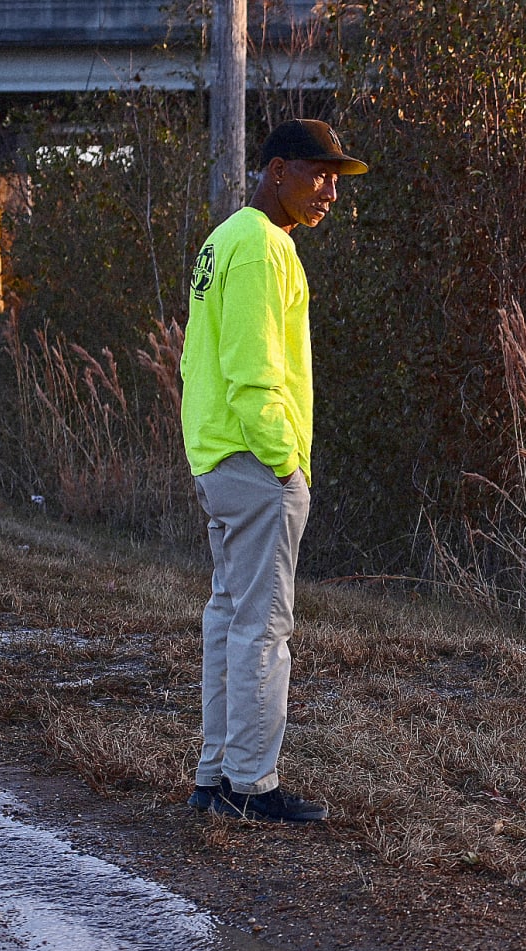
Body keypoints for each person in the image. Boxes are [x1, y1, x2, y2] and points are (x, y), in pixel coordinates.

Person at [179, 119, 367, 823]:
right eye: (319, 175)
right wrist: (285, 462)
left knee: (230, 618)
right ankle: (251, 787)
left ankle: (214, 778)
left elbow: (200, 357)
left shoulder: (225, 238)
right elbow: (254, 374)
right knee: (263, 627)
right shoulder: (261, 247)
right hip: (255, 462)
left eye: (336, 179)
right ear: (277, 170)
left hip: (219, 456)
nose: (329, 193)